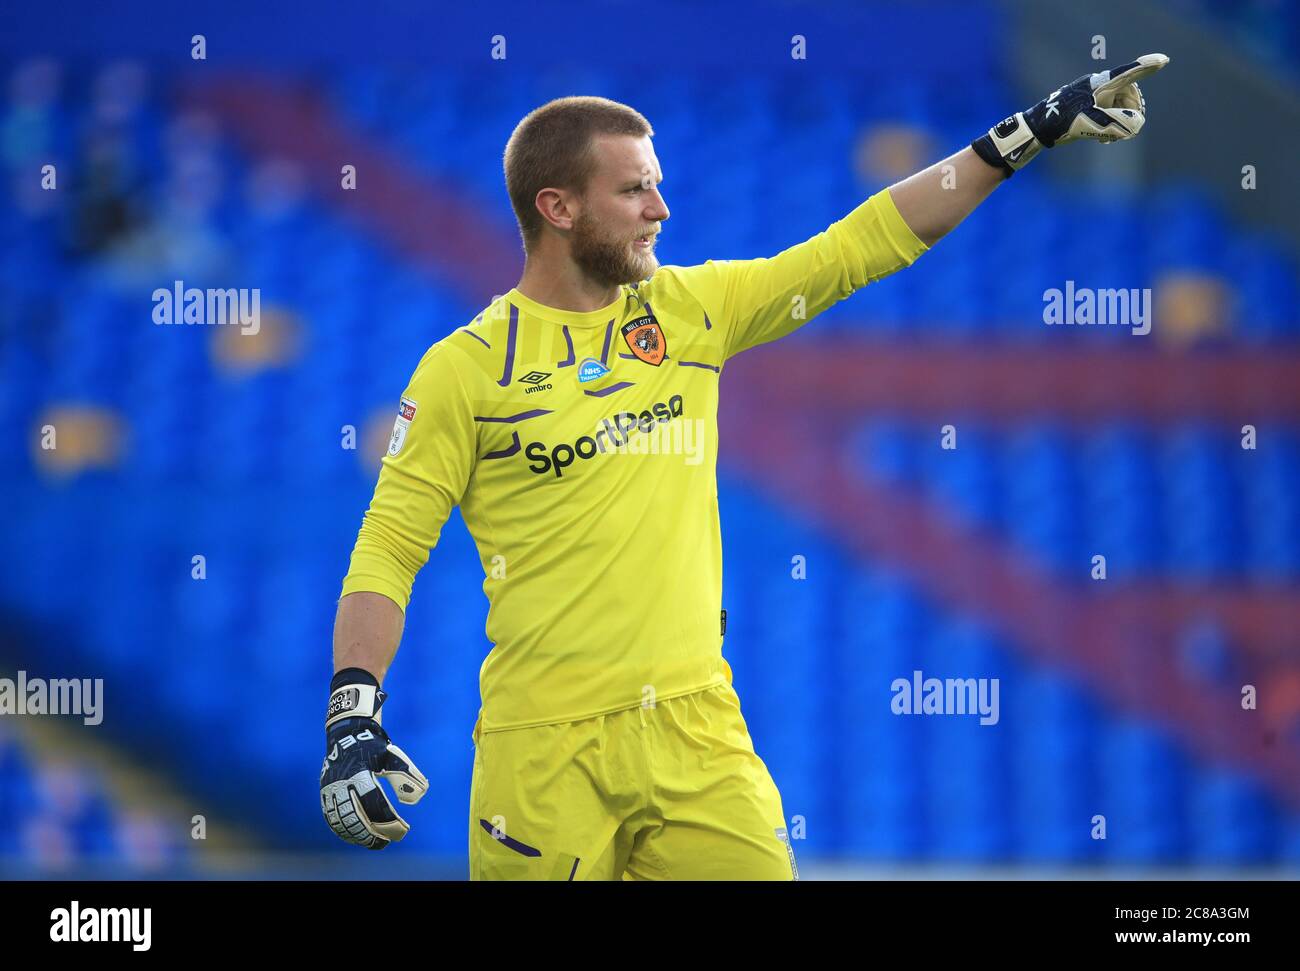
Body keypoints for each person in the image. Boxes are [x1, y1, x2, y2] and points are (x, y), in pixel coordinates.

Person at [321, 55, 1168, 879]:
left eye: (656, 182)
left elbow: (860, 245)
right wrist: (353, 711)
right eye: (633, 190)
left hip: (697, 730)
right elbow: (390, 543)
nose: (661, 207)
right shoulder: (463, 371)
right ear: (559, 207)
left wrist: (1015, 140)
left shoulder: (692, 311)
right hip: (542, 749)